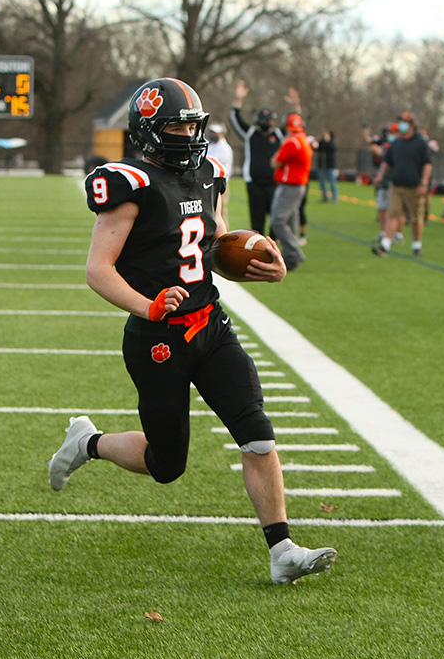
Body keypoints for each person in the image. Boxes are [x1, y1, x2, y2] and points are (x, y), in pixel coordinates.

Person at [48, 77, 336, 584]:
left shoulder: (209, 173)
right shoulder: (128, 185)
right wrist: (148, 305)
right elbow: (98, 269)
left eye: (192, 124)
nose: (188, 133)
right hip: (157, 338)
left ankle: (282, 549)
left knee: (257, 433)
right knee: (166, 464)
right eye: (177, 125)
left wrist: (260, 261)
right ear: (150, 130)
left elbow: (216, 246)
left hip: (211, 326)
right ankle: (88, 442)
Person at [229, 81, 289, 237]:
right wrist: (238, 99)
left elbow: (296, 125)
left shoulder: (279, 135)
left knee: (276, 220)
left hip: (274, 184)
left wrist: (296, 107)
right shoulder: (251, 134)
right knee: (257, 222)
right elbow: (235, 118)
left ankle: (272, 247)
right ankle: (258, 248)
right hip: (254, 184)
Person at [372, 111, 433, 257]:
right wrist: (380, 175)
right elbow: (387, 161)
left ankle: (416, 245)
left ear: (412, 124)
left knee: (416, 217)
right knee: (393, 214)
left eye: (404, 122)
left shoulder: (421, 143)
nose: (401, 125)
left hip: (414, 186)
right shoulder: (397, 143)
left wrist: (424, 184)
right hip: (397, 185)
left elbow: (427, 164)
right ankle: (385, 245)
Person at [270, 112, 313, 270]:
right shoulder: (303, 140)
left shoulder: (292, 142)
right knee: (291, 220)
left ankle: (293, 252)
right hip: (299, 185)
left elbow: (275, 162)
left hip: (289, 185)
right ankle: (291, 254)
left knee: (278, 221)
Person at [206, 123, 234, 227]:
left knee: (221, 214)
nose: (213, 134)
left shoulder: (224, 148)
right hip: (209, 184)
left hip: (220, 184)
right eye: (212, 132)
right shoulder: (211, 145)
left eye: (215, 133)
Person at [316, 129, 338, 202]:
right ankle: (325, 197)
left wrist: (327, 141)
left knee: (332, 183)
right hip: (322, 165)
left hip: (330, 166)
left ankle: (335, 198)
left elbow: (332, 148)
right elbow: (318, 149)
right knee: (322, 182)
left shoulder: (332, 143)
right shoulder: (322, 143)